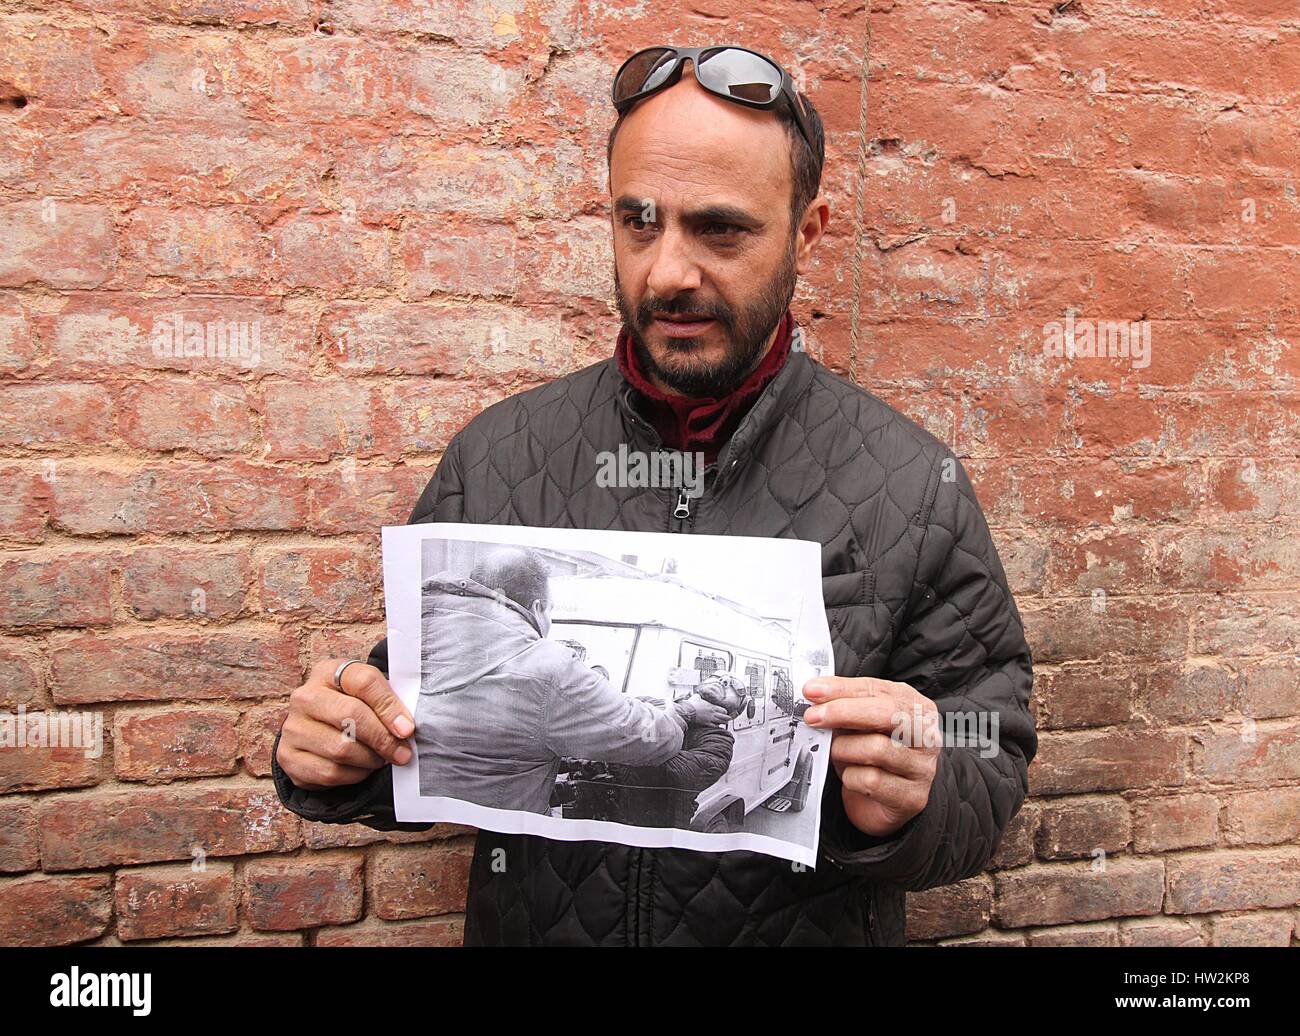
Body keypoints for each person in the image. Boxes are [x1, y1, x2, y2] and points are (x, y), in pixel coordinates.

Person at [272, 42, 1038, 946]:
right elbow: (421, 730)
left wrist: (928, 788)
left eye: (721, 229)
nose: (669, 272)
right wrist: (341, 755)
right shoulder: (501, 454)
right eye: (639, 223)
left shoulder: (911, 484)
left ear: (808, 230)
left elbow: (994, 743)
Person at [412, 546, 725, 811]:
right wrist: (683, 711)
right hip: (499, 830)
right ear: (538, 607)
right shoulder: (548, 668)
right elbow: (655, 739)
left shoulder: (415, 630)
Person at [561, 675, 746, 828]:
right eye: (717, 676)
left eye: (736, 687)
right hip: (586, 817)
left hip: (644, 836)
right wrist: (685, 709)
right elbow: (593, 718)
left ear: (734, 714)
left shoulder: (719, 742)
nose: (723, 681)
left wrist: (613, 747)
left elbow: (671, 773)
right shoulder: (651, 702)